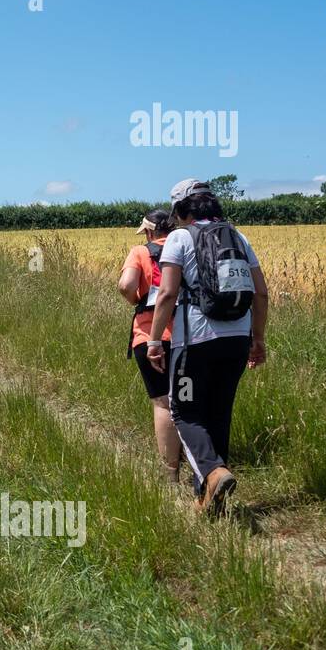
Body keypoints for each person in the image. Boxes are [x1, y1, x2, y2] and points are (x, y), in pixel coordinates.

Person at [146, 179, 269, 515]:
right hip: (236, 341)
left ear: (181, 210)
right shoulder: (239, 237)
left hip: (195, 342)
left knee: (184, 411)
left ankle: (214, 473)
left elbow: (168, 294)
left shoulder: (179, 238)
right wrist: (257, 340)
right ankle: (209, 498)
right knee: (218, 413)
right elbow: (261, 293)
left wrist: (155, 340)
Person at [119, 210, 181, 485]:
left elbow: (125, 285)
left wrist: (135, 299)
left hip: (149, 335)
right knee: (189, 398)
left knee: (163, 401)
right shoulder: (186, 248)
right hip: (189, 335)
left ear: (148, 232)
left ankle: (170, 472)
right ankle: (201, 461)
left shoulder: (140, 252)